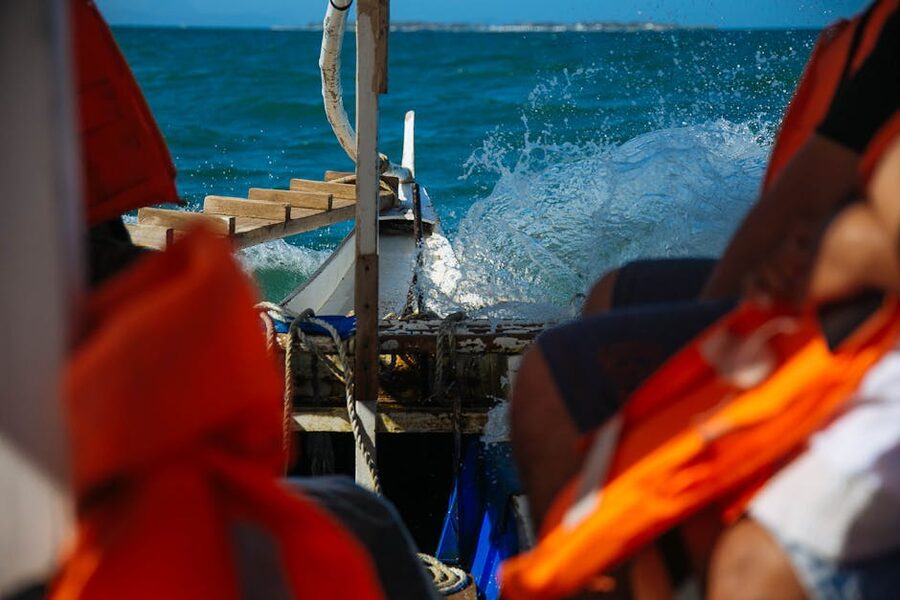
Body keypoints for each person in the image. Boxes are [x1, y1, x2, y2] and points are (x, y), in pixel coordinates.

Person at [511, 0, 900, 530]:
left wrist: (841, 252)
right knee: (614, 294)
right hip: (821, 295)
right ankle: (627, 540)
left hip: (865, 330)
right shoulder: (885, 32)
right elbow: (803, 190)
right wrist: (716, 317)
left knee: (550, 381)